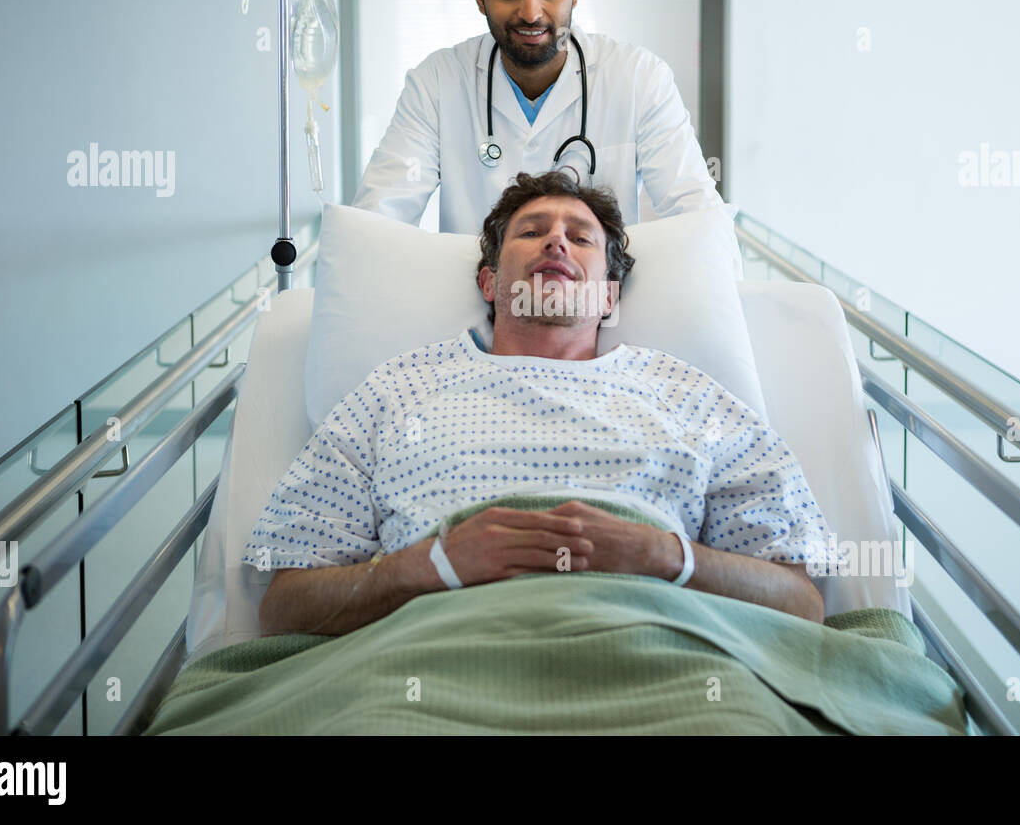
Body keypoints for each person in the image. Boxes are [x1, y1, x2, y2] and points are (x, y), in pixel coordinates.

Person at [246, 171, 831, 638]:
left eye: (580, 237)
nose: (556, 239)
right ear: (488, 284)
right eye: (532, 232)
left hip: (660, 658)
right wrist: (434, 566)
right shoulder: (396, 392)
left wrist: (662, 554)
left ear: (608, 295)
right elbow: (284, 606)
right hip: (433, 669)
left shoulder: (691, 399)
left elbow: (800, 601)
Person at [351, 0, 728, 236]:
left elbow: (696, 216)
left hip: (601, 309)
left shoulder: (638, 77)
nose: (531, 13)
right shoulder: (437, 82)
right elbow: (380, 221)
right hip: (474, 308)